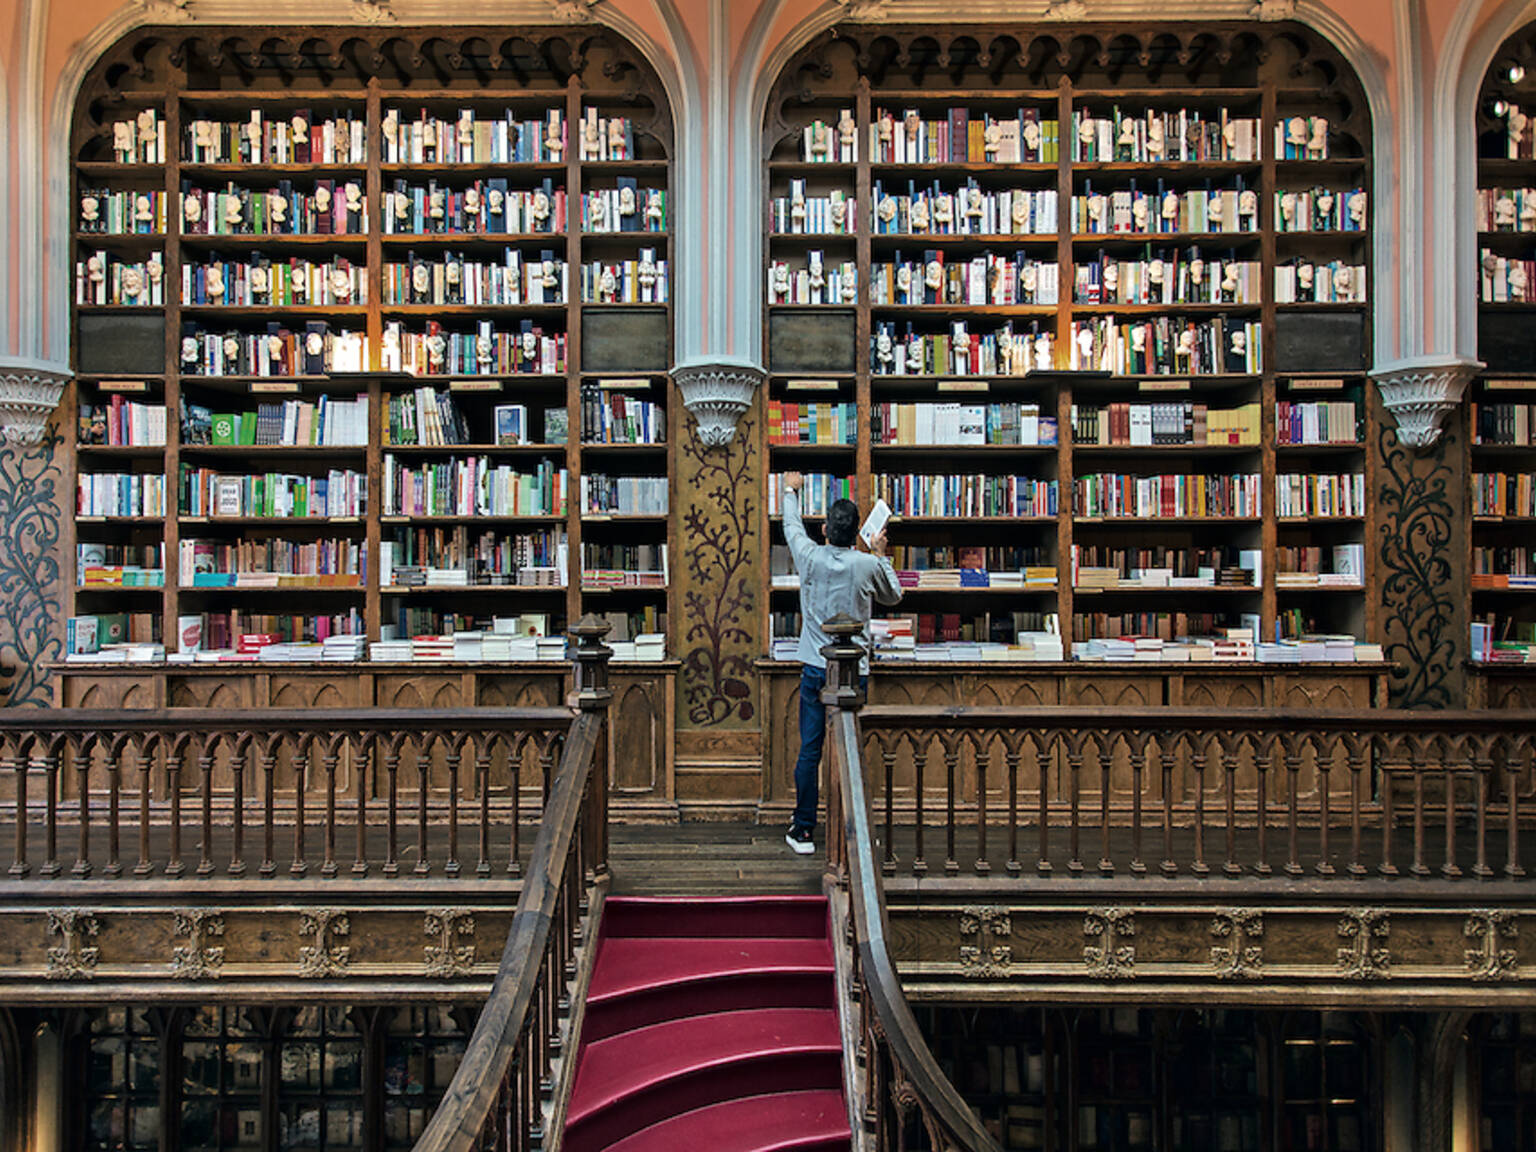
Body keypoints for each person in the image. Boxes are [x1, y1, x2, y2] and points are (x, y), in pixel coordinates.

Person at [781, 471, 903, 854]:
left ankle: (803, 831)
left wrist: (790, 490)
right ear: (857, 535)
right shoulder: (866, 565)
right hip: (854, 672)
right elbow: (894, 596)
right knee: (850, 749)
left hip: (815, 669)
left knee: (810, 750)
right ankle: (853, 828)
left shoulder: (809, 557)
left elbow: (790, 526)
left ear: (824, 529)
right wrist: (880, 554)